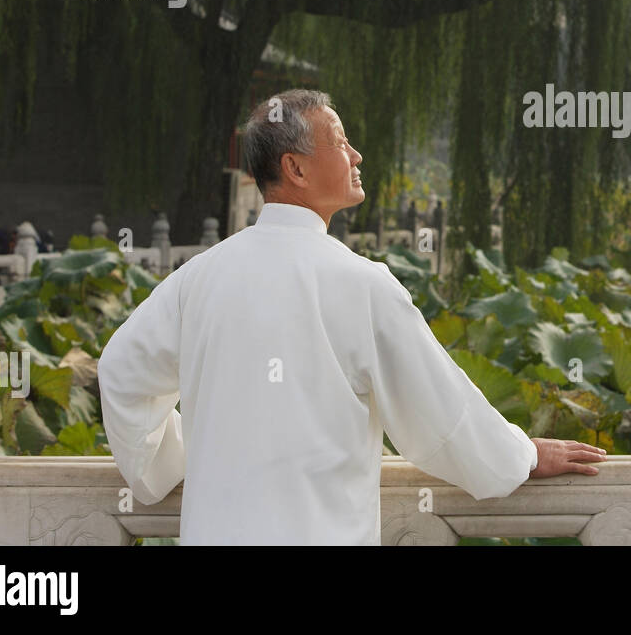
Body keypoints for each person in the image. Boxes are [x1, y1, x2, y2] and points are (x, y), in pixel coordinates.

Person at [98, 88, 604, 544]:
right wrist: (524, 456)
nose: (357, 154)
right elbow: (441, 418)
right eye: (340, 141)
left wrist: (171, 463)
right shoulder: (362, 283)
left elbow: (120, 371)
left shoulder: (199, 276)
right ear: (295, 169)